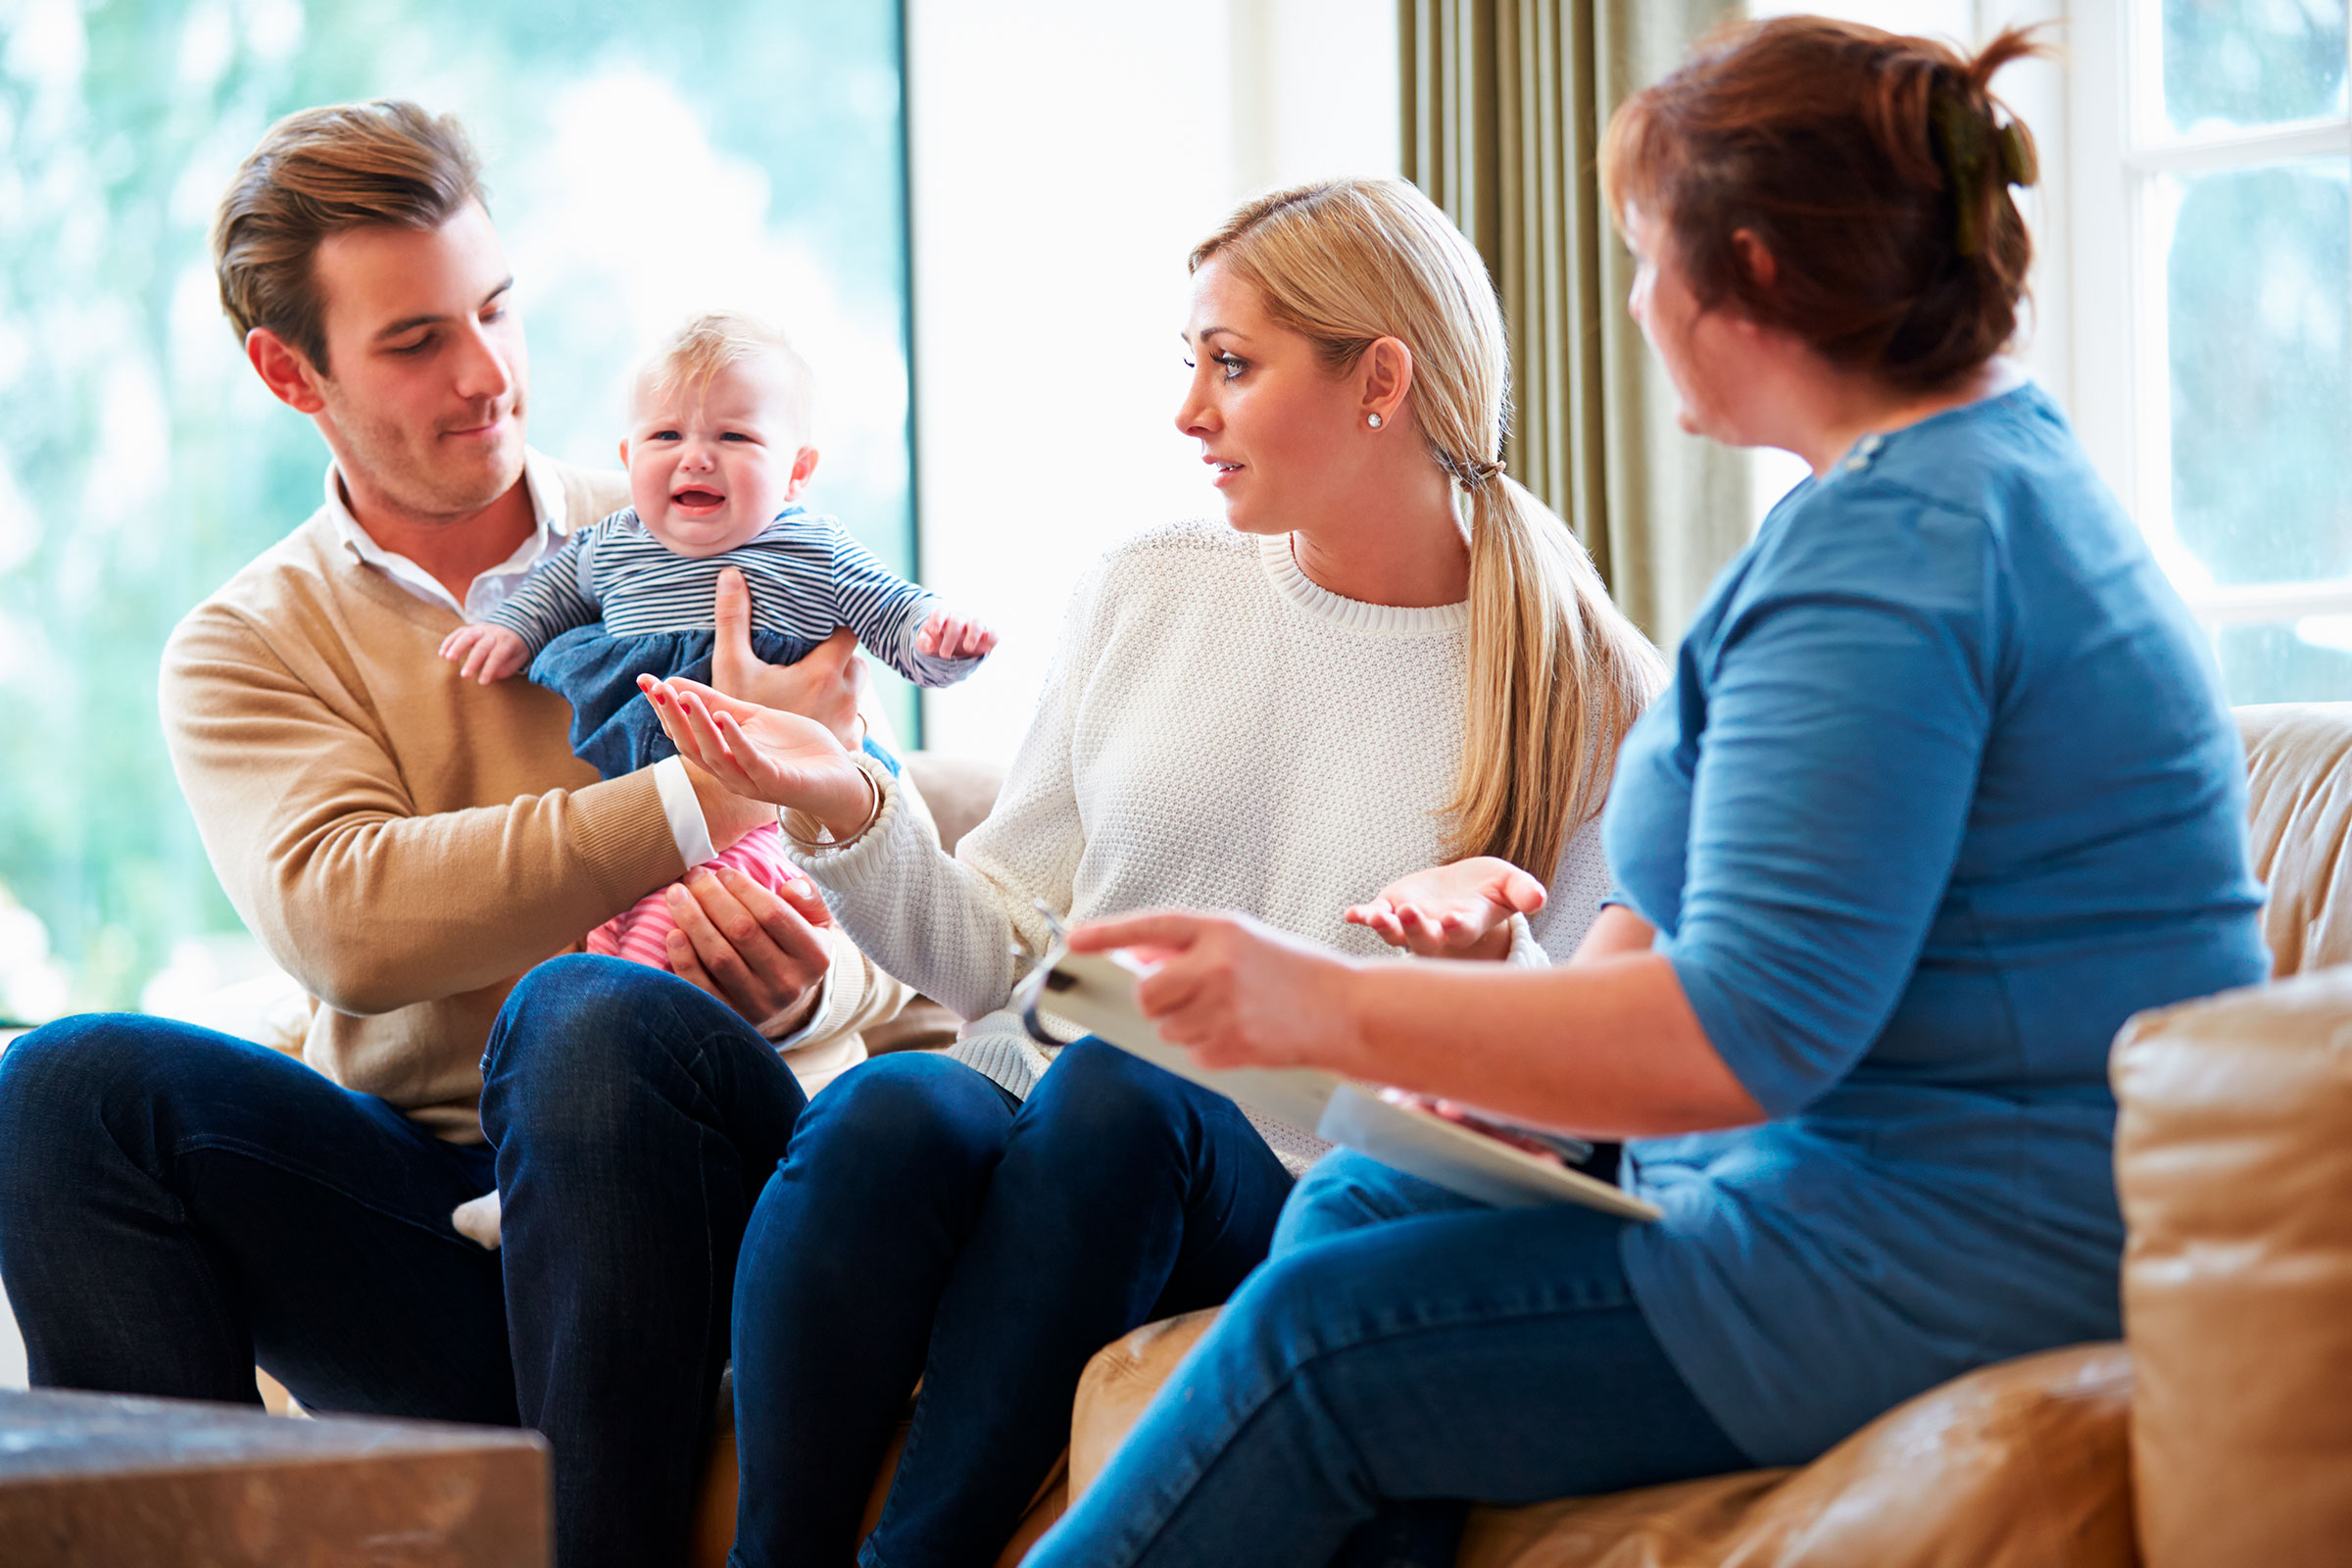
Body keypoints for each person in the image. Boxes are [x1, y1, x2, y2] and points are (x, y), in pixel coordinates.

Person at [1012, 20, 2275, 1568]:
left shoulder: (1897, 567)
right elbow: (1693, 927)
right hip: (1814, 1196)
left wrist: (1318, 1007)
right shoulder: (1937, 490)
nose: (1630, 304)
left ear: (1744, 271)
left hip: (1929, 1255)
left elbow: (1740, 1030)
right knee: (1353, 1208)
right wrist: (1493, 1060)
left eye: (1642, 257)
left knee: (1319, 1346)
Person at [640, 175, 1662, 1567]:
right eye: (1192, 362)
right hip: (1058, 1114)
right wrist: (850, 804)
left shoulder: (1587, 687)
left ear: (1381, 381)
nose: (1189, 412)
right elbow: (1010, 960)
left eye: (1231, 365)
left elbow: (1584, 1087)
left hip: (1287, 1182)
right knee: (889, 1110)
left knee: (1129, 1087)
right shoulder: (1147, 587)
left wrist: (1494, 959)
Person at [0, 101, 914, 1568]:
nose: (488, 374)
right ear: (288, 372)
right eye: (418, 340)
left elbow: (898, 885)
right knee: (60, 1089)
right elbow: (347, 922)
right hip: (433, 1233)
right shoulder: (247, 644)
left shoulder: (702, 523)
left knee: (582, 1018)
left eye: (495, 309)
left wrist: (810, 983)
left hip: (707, 1197)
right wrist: (705, 796)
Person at [443, 310, 995, 970]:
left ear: (796, 472)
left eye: (734, 436)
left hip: (774, 815)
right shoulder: (613, 540)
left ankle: (652, 997)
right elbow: (557, 591)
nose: (696, 456)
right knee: (606, 939)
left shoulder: (813, 549)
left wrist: (939, 637)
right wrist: (513, 626)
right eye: (666, 435)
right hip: (640, 804)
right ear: (629, 457)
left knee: (678, 938)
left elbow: (894, 612)